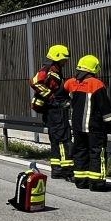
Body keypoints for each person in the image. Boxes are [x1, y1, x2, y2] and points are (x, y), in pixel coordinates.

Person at [64, 55, 111, 191]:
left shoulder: (71, 82)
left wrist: (67, 104)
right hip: (95, 127)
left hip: (77, 127)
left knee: (80, 153)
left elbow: (60, 97)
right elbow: (105, 109)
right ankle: (97, 183)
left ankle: (81, 181)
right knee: (97, 153)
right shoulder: (96, 84)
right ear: (94, 68)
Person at [29, 44, 74, 180]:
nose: (66, 61)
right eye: (64, 59)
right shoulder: (48, 69)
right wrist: (51, 96)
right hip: (55, 111)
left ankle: (57, 169)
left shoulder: (55, 69)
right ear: (58, 58)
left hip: (53, 111)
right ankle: (67, 171)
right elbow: (34, 82)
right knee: (64, 140)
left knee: (55, 140)